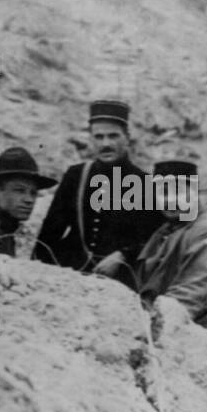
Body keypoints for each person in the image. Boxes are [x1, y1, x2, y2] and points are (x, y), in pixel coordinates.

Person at [34, 99, 163, 286]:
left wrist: (123, 255)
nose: (106, 144)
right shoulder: (76, 175)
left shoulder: (144, 182)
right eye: (99, 137)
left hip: (120, 280)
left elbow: (153, 239)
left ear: (127, 138)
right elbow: (49, 234)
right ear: (91, 139)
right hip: (71, 275)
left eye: (113, 136)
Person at [134, 160, 207, 342]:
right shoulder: (164, 232)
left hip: (198, 337)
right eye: (162, 193)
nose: (169, 200)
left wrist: (151, 327)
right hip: (160, 326)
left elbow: (192, 295)